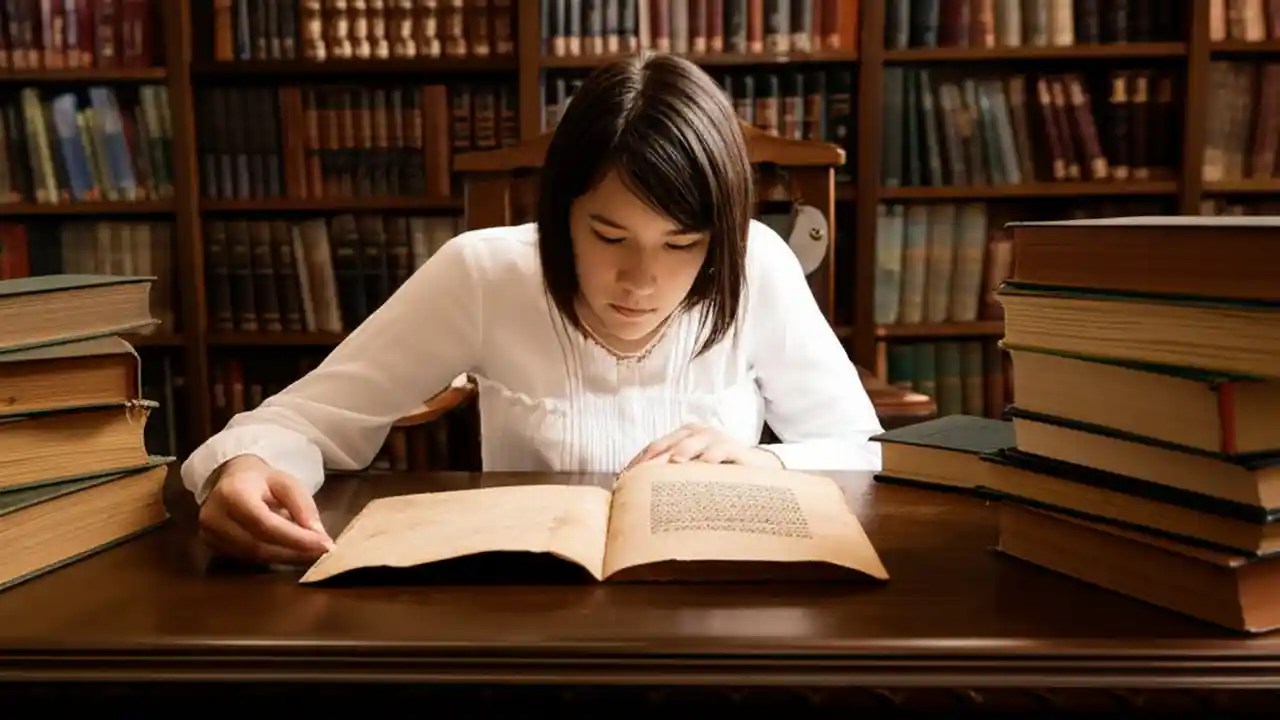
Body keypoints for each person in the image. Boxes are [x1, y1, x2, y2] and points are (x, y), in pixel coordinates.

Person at [185, 51, 884, 567]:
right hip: (527, 607)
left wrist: (766, 463)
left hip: (720, 610)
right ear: (560, 216)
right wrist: (241, 468)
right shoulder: (485, 272)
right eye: (609, 236)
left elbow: (864, 450)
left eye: (682, 244)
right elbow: (302, 419)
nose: (641, 280)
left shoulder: (756, 263)